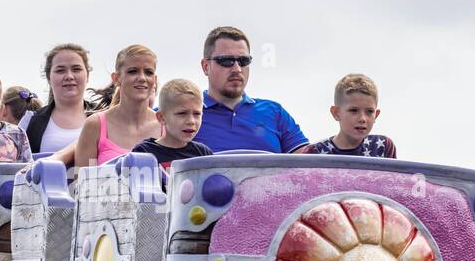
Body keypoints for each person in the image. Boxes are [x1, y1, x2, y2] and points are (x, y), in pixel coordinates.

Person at [193, 25, 308, 153]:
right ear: (205, 66)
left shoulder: (275, 113)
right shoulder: (187, 115)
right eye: (226, 61)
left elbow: (308, 164)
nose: (237, 69)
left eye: (243, 61)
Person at [68, 44, 161, 167]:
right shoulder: (95, 125)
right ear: (116, 78)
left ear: (154, 79)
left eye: (148, 72)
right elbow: (83, 181)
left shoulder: (166, 126)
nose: (142, 78)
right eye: (133, 71)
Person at [20, 43, 93, 154]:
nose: (69, 76)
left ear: (87, 75)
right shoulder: (30, 122)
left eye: (76, 69)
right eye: (60, 70)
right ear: (49, 77)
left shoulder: (107, 118)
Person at [303, 73, 397, 158]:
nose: (362, 119)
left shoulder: (383, 147)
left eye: (369, 111)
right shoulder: (314, 153)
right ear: (336, 113)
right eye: (354, 110)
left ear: (376, 115)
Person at [132, 79, 214, 168]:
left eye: (197, 114)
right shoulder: (143, 153)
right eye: (182, 113)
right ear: (162, 117)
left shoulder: (203, 154)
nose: (191, 121)